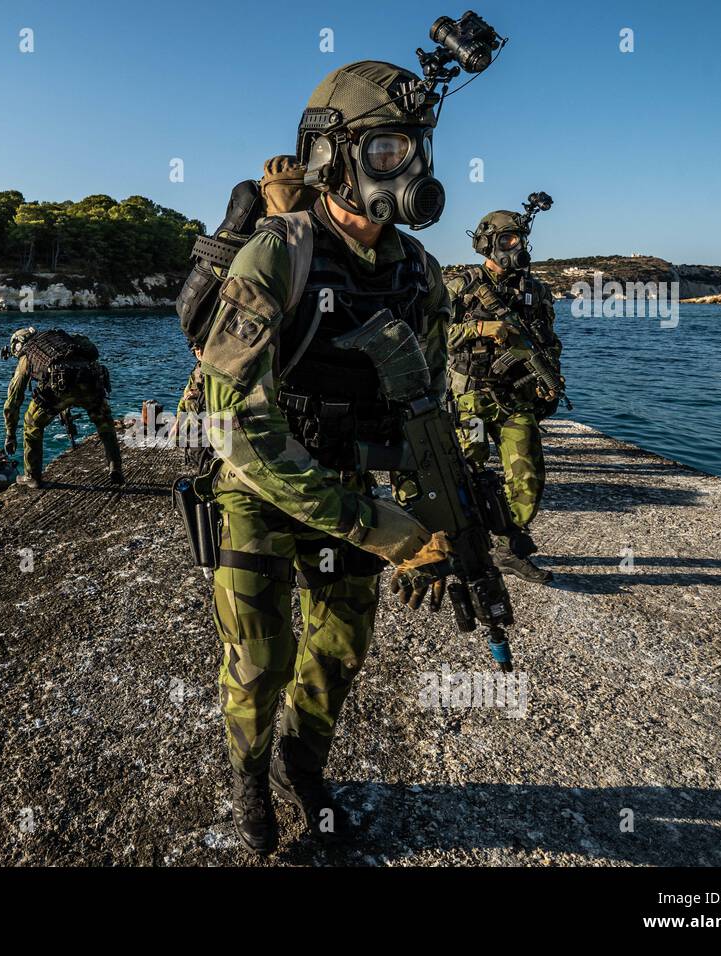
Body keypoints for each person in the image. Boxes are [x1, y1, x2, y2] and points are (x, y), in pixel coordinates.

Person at [195, 61, 460, 854]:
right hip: (257, 488)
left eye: (414, 149)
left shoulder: (420, 274)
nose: (405, 170)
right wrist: (374, 526)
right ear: (331, 157)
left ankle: (301, 764)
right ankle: (248, 772)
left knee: (342, 646)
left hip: (347, 476)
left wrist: (435, 518)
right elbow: (233, 424)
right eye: (385, 151)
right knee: (259, 658)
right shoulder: (278, 254)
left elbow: (428, 408)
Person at [445, 206, 564, 583]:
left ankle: (508, 546)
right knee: (469, 474)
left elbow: (549, 340)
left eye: (521, 240)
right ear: (487, 243)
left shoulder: (536, 291)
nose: (517, 247)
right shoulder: (460, 287)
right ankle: (463, 545)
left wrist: (550, 377)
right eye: (509, 240)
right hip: (472, 397)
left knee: (528, 475)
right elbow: (432, 336)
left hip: (516, 399)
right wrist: (480, 328)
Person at [2, 326, 123, 488]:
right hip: (90, 383)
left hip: (58, 389)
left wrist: (10, 434)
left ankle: (32, 476)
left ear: (18, 345)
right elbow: (92, 352)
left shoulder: (27, 355)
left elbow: (14, 398)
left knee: (31, 425)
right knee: (105, 423)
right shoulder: (63, 339)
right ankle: (115, 467)